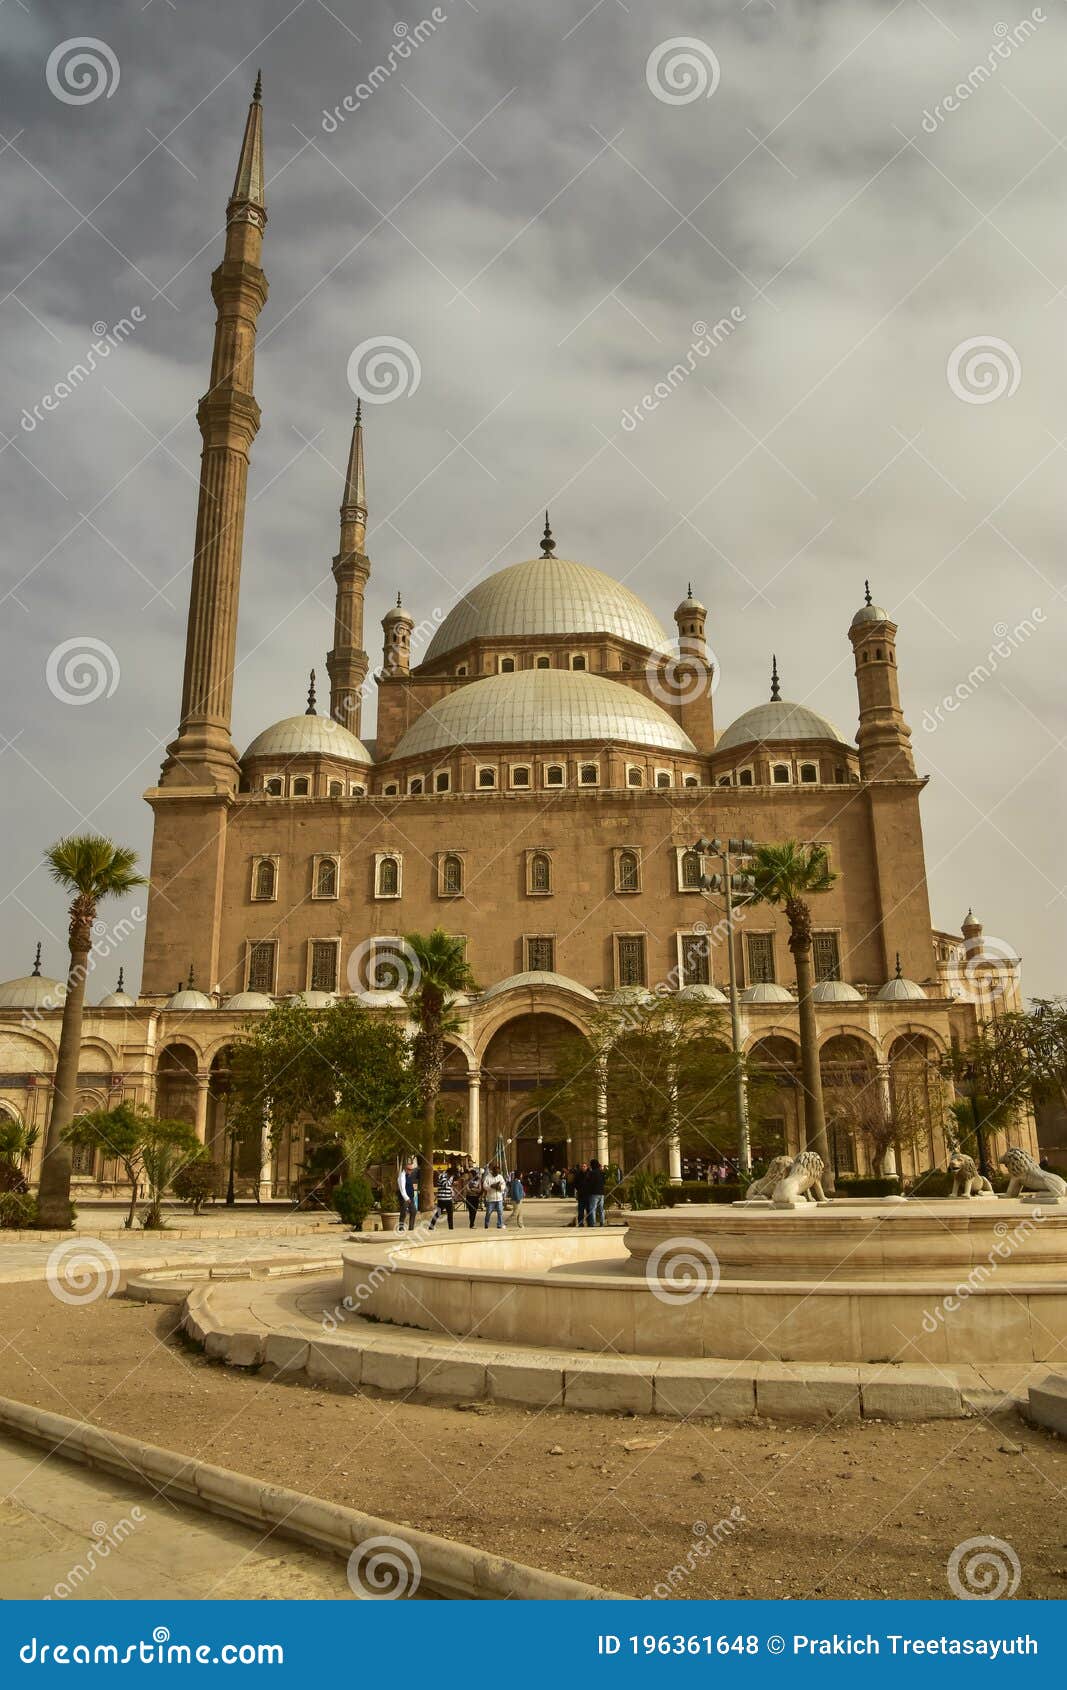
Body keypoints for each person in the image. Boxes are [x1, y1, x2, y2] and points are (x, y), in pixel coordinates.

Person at [428, 1165, 456, 1231]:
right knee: (438, 1213)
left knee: (450, 1214)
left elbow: (449, 1186)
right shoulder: (442, 1176)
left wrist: (452, 1191)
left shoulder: (448, 1177)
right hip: (442, 1199)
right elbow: (445, 1185)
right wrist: (451, 1178)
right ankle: (431, 1226)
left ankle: (451, 1228)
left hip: (448, 1199)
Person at [482, 1161, 506, 1229]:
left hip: (499, 1198)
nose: (496, 1174)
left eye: (498, 1172)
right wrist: (491, 1186)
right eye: (495, 1172)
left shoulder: (500, 1177)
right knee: (488, 1213)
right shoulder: (488, 1177)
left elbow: (504, 1185)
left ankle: (499, 1224)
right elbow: (484, 1186)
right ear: (493, 1171)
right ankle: (486, 1224)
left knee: (500, 1212)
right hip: (491, 1198)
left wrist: (500, 1187)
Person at [397, 1159, 418, 1232]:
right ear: (405, 1169)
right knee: (403, 1212)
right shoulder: (401, 1177)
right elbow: (402, 1189)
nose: (411, 1171)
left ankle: (411, 1227)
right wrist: (406, 1198)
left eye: (412, 1169)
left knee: (414, 1211)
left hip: (411, 1197)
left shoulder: (409, 1175)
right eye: (409, 1169)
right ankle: (401, 1227)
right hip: (404, 1197)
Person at [585, 1157, 606, 1227]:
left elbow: (589, 1183)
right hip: (601, 1193)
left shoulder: (591, 1173)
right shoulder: (602, 1173)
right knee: (601, 1209)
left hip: (594, 1194)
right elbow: (604, 1182)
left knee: (593, 1209)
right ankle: (602, 1222)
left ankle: (593, 1223)